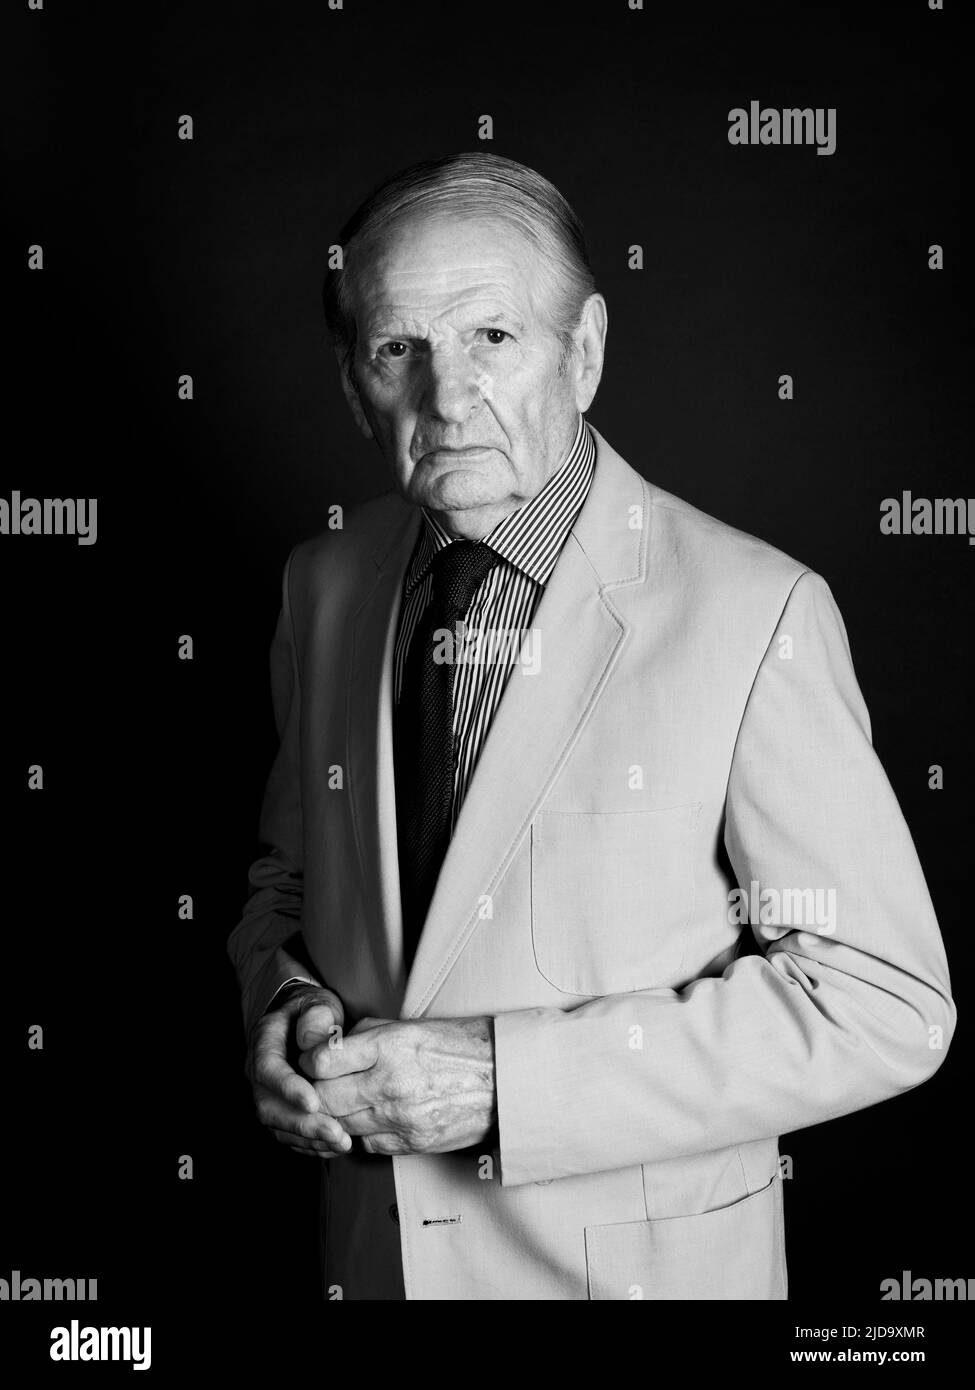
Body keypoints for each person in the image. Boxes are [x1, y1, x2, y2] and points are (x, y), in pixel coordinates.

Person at [227, 151, 955, 1301]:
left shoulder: (757, 611)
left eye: (493, 339)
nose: (447, 397)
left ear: (588, 350)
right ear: (350, 380)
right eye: (398, 348)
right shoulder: (319, 585)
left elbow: (881, 1000)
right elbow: (288, 882)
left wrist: (506, 1083)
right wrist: (285, 1008)